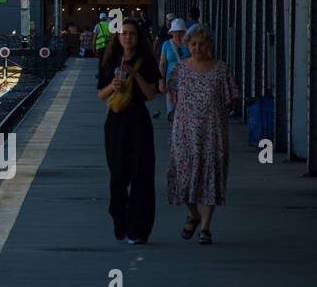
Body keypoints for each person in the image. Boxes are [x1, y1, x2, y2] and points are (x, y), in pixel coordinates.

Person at [167, 25, 237, 245]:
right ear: (188, 45)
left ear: (209, 46)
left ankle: (205, 228)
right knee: (183, 177)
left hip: (212, 133)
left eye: (202, 44)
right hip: (184, 133)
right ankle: (194, 214)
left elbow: (231, 97)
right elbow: (172, 93)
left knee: (209, 178)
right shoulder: (180, 69)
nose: (198, 48)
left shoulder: (221, 69)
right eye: (194, 44)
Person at [97, 17, 159, 244]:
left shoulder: (147, 61)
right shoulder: (109, 59)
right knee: (118, 175)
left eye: (132, 34)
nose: (128, 37)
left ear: (138, 37)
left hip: (139, 119)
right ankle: (119, 216)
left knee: (141, 174)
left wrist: (134, 74)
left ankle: (138, 229)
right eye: (124, 33)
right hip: (115, 121)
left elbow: (151, 94)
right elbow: (101, 95)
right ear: (118, 36)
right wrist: (113, 86)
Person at [158, 19, 190, 123]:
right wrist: (161, 81)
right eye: (175, 31)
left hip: (187, 79)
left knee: (185, 106)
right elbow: (162, 64)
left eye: (180, 31)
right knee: (172, 108)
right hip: (171, 79)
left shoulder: (189, 44)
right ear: (172, 32)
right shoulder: (166, 45)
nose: (178, 34)